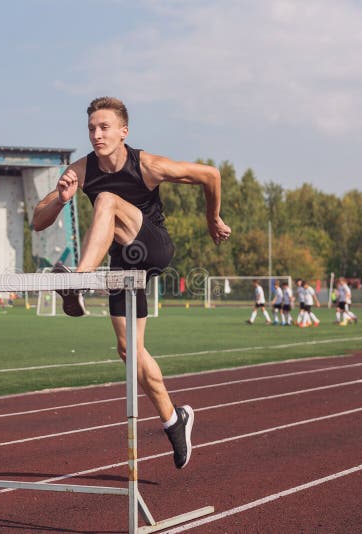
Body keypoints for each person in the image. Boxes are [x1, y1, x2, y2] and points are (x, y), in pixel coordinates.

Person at [32, 96, 231, 469]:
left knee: (107, 198)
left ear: (124, 131)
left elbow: (210, 175)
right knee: (129, 352)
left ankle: (79, 282)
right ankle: (175, 420)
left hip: (153, 245)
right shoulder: (83, 169)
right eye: (91, 128)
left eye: (104, 127)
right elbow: (37, 220)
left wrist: (211, 218)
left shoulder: (147, 164)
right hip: (123, 263)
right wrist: (60, 200)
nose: (96, 134)